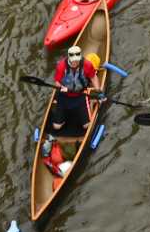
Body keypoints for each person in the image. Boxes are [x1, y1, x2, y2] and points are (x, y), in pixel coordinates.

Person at [39, 43, 103, 177]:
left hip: (80, 97)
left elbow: (93, 77)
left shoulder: (87, 65)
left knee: (86, 126)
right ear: (69, 59)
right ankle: (66, 114)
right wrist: (60, 87)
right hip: (64, 97)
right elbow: (57, 82)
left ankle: (90, 104)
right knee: (56, 127)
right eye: (73, 61)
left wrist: (98, 92)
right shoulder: (61, 66)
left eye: (77, 61)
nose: (75, 63)